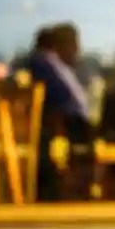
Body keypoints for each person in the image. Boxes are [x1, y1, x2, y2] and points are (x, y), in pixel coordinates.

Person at [28, 23, 92, 201]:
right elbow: (60, 97)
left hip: (69, 123)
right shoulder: (44, 62)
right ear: (61, 45)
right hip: (62, 125)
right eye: (74, 45)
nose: (78, 50)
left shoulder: (59, 66)